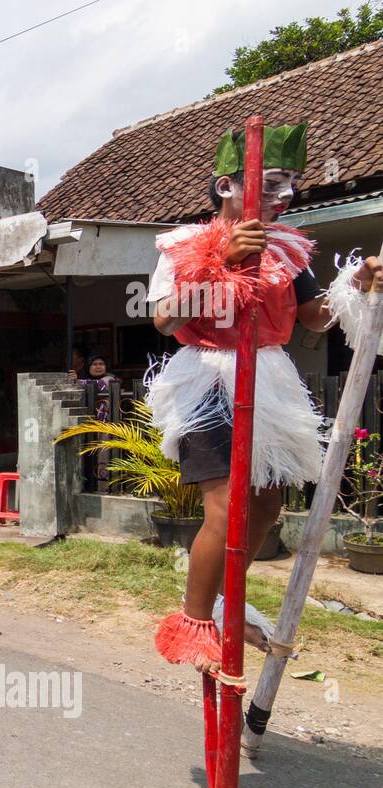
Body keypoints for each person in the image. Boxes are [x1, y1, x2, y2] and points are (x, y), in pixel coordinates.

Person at [147, 122, 383, 671]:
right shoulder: (183, 243)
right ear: (228, 185)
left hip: (270, 382)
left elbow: (312, 319)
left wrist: (357, 284)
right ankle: (196, 621)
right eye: (274, 183)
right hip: (208, 380)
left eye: (292, 184)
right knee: (226, 507)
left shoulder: (288, 251)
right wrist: (219, 262)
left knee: (268, 505)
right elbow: (163, 318)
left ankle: (227, 602)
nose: (287, 196)